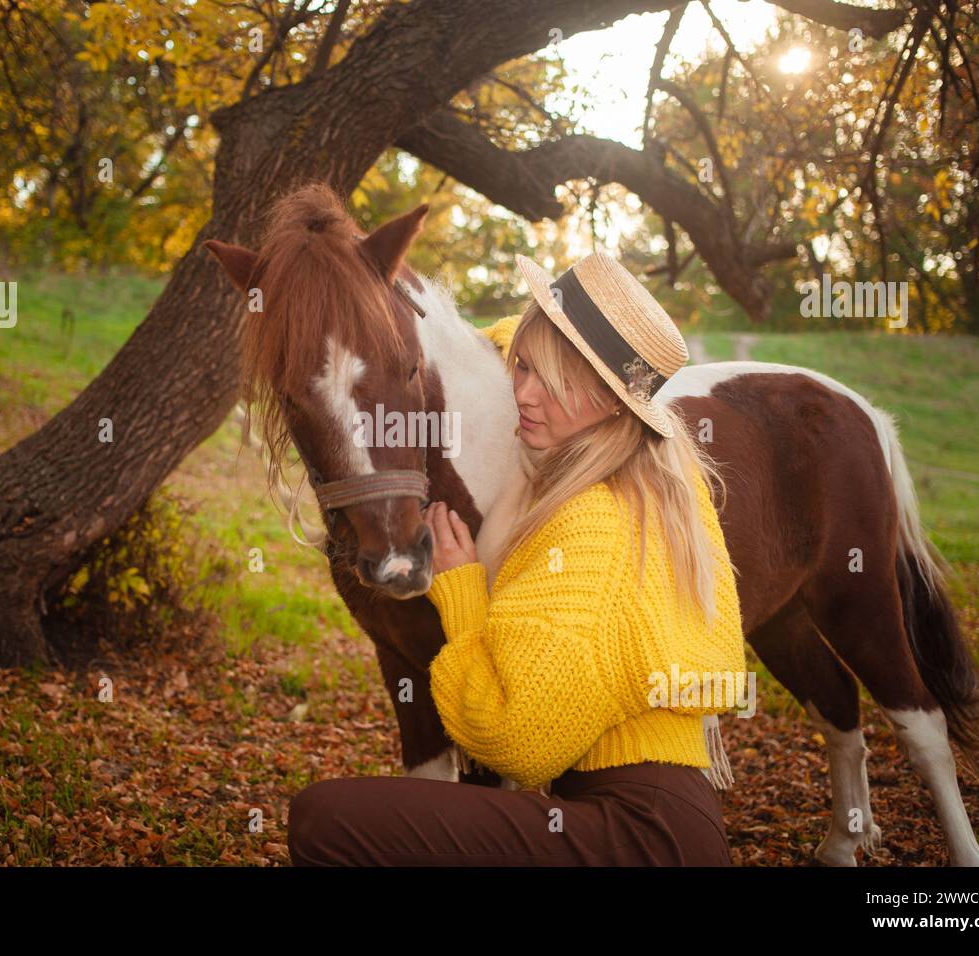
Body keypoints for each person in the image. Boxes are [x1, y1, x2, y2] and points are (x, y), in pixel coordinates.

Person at [286, 252, 747, 866]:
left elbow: (513, 744)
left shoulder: (588, 520)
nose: (522, 394)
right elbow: (515, 351)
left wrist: (463, 593)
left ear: (612, 401)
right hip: (670, 819)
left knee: (323, 820)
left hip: (637, 834)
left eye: (548, 381)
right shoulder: (649, 477)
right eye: (521, 366)